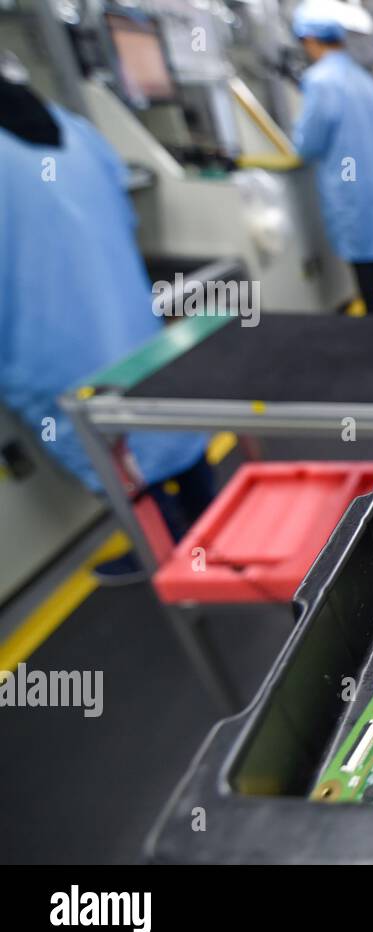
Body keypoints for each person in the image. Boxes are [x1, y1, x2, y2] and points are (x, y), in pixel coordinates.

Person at [0, 75, 212, 579]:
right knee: (161, 424)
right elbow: (124, 209)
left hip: (49, 338)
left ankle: (169, 555)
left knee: (110, 448)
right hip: (126, 312)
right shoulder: (73, 128)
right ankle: (210, 529)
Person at [292, 8, 373, 314]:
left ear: (311, 40)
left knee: (362, 260)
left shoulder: (319, 81)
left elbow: (308, 142)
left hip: (348, 186)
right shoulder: (365, 80)